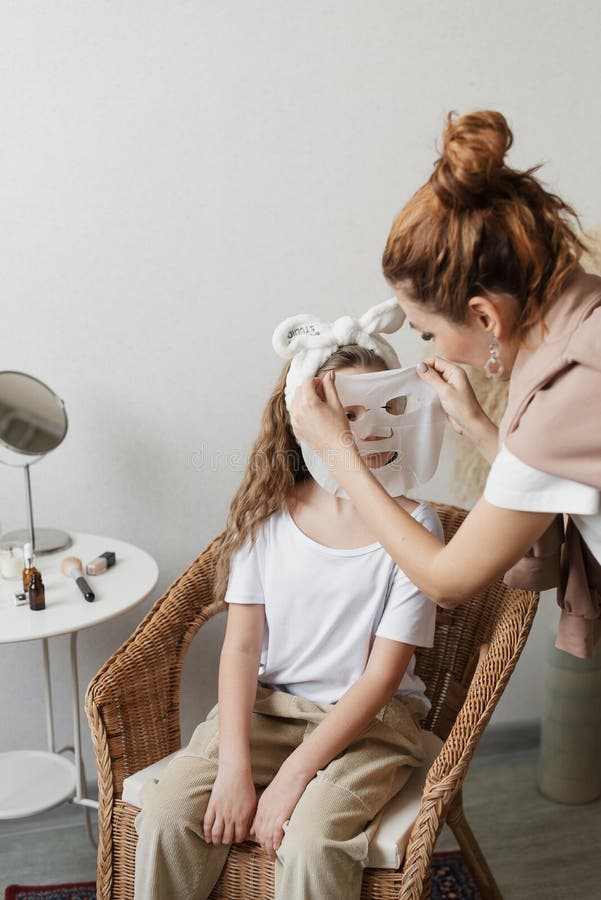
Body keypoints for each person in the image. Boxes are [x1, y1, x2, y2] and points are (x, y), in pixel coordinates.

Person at [133, 309, 444, 900]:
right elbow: (242, 647)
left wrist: (294, 779)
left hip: (370, 728)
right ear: (308, 419)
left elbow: (382, 677)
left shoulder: (414, 525)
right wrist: (232, 769)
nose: (369, 432)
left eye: (381, 411)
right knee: (169, 815)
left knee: (308, 842)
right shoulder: (268, 516)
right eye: (346, 416)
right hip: (270, 712)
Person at [290, 109, 601, 660]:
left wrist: (337, 449)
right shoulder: (586, 311)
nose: (431, 351)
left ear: (485, 318)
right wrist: (484, 429)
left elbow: (446, 580)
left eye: (429, 332)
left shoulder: (563, 395)